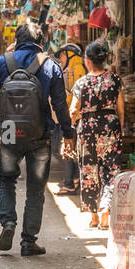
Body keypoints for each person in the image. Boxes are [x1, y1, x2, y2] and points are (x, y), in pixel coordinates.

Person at [0, 19, 74, 256]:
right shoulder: (51, 66)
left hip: (10, 131)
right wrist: (69, 132)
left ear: (17, 41)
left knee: (6, 180)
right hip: (39, 132)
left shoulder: (3, 62)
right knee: (35, 189)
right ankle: (28, 242)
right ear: (40, 42)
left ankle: (8, 223)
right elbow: (60, 105)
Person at [70, 39, 125, 230]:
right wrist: (119, 128)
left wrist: (75, 122)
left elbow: (72, 110)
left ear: (87, 61)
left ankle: (93, 217)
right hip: (110, 127)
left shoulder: (81, 83)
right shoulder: (114, 80)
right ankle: (105, 213)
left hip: (87, 129)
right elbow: (120, 109)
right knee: (110, 171)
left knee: (89, 171)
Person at [54, 43, 87, 193]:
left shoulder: (78, 69)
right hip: (72, 116)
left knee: (67, 148)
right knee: (69, 149)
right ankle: (73, 180)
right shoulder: (72, 69)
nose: (60, 59)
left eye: (62, 55)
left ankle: (71, 182)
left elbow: (77, 96)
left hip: (75, 117)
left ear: (70, 54)